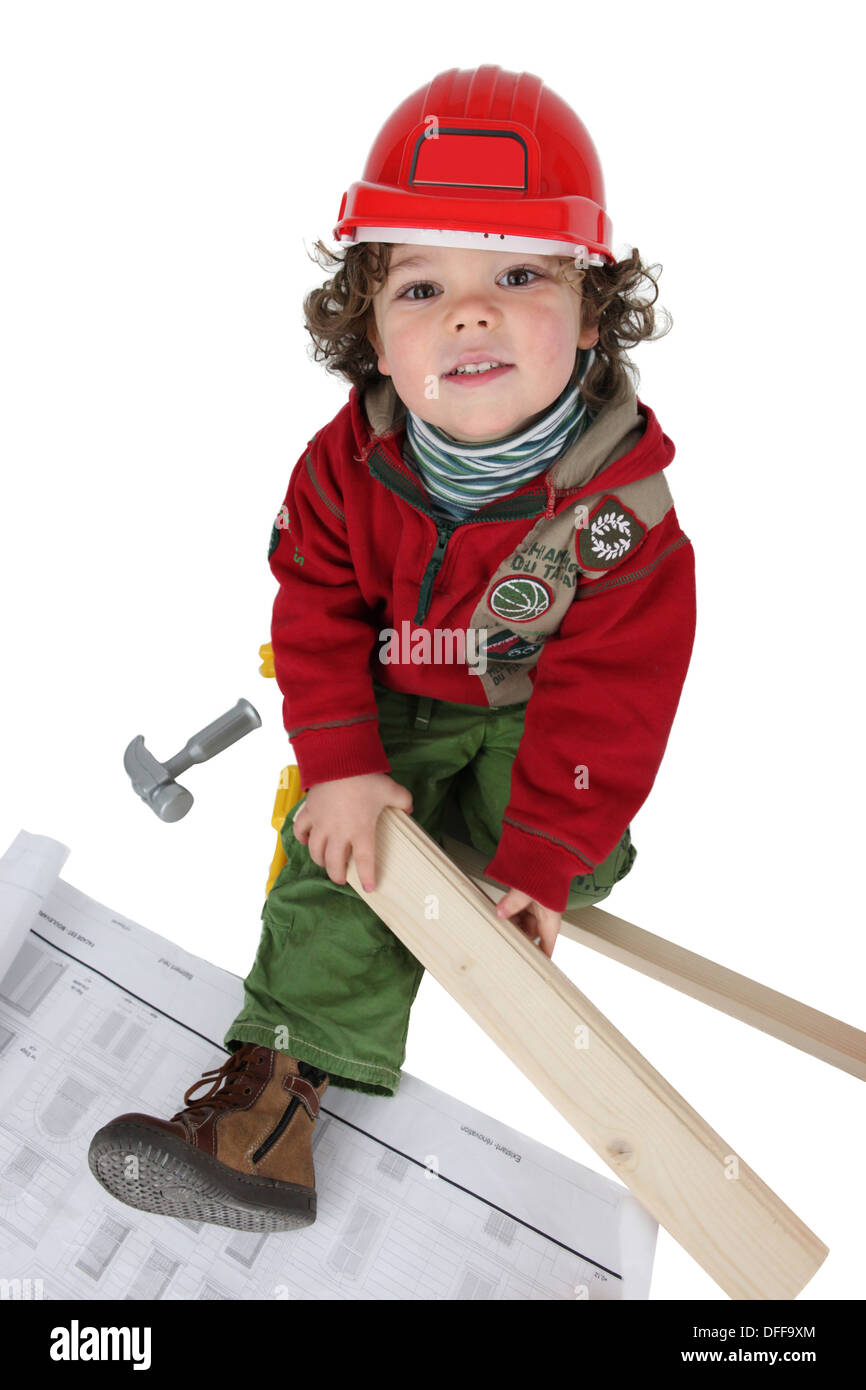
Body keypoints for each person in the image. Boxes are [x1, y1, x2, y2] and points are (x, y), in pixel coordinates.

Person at [88, 64, 696, 1233]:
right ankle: (266, 1116)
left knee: (557, 837)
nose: (469, 312)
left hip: (540, 715)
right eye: (422, 284)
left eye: (516, 273)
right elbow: (312, 609)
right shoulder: (344, 463)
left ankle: (544, 845)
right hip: (393, 705)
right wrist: (342, 763)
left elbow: (613, 694)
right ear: (366, 324)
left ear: (589, 303)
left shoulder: (624, 514)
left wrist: (545, 850)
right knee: (338, 871)